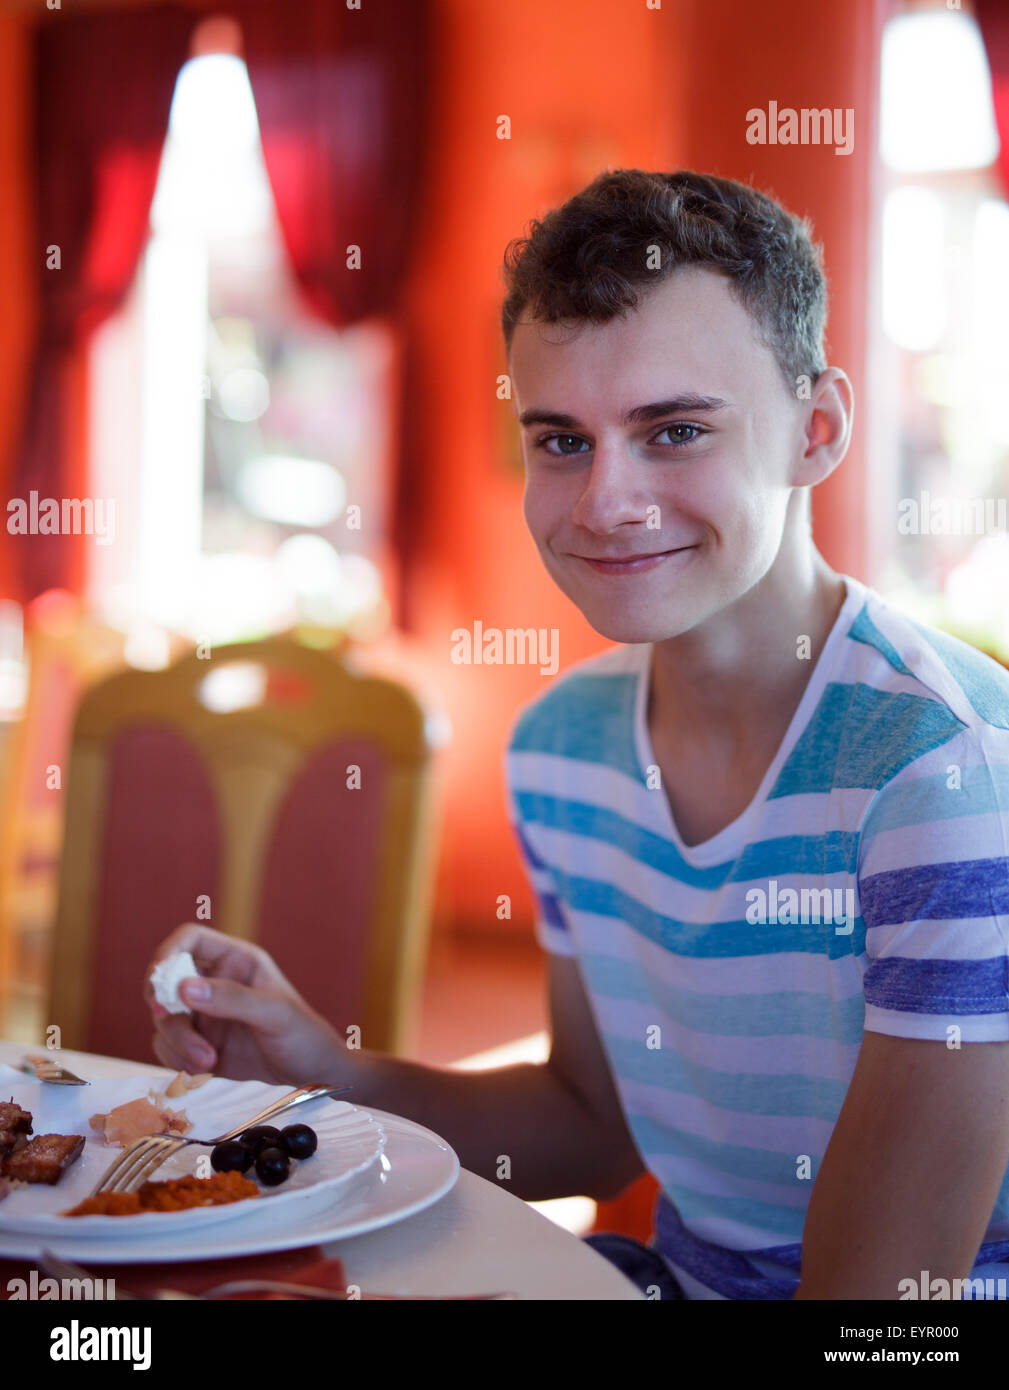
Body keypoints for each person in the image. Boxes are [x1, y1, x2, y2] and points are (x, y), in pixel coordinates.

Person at [146, 169, 1009, 1301]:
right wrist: (327, 1071)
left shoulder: (936, 772)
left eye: (676, 430)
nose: (606, 500)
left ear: (818, 427)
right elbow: (589, 1128)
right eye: (560, 441)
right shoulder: (562, 749)